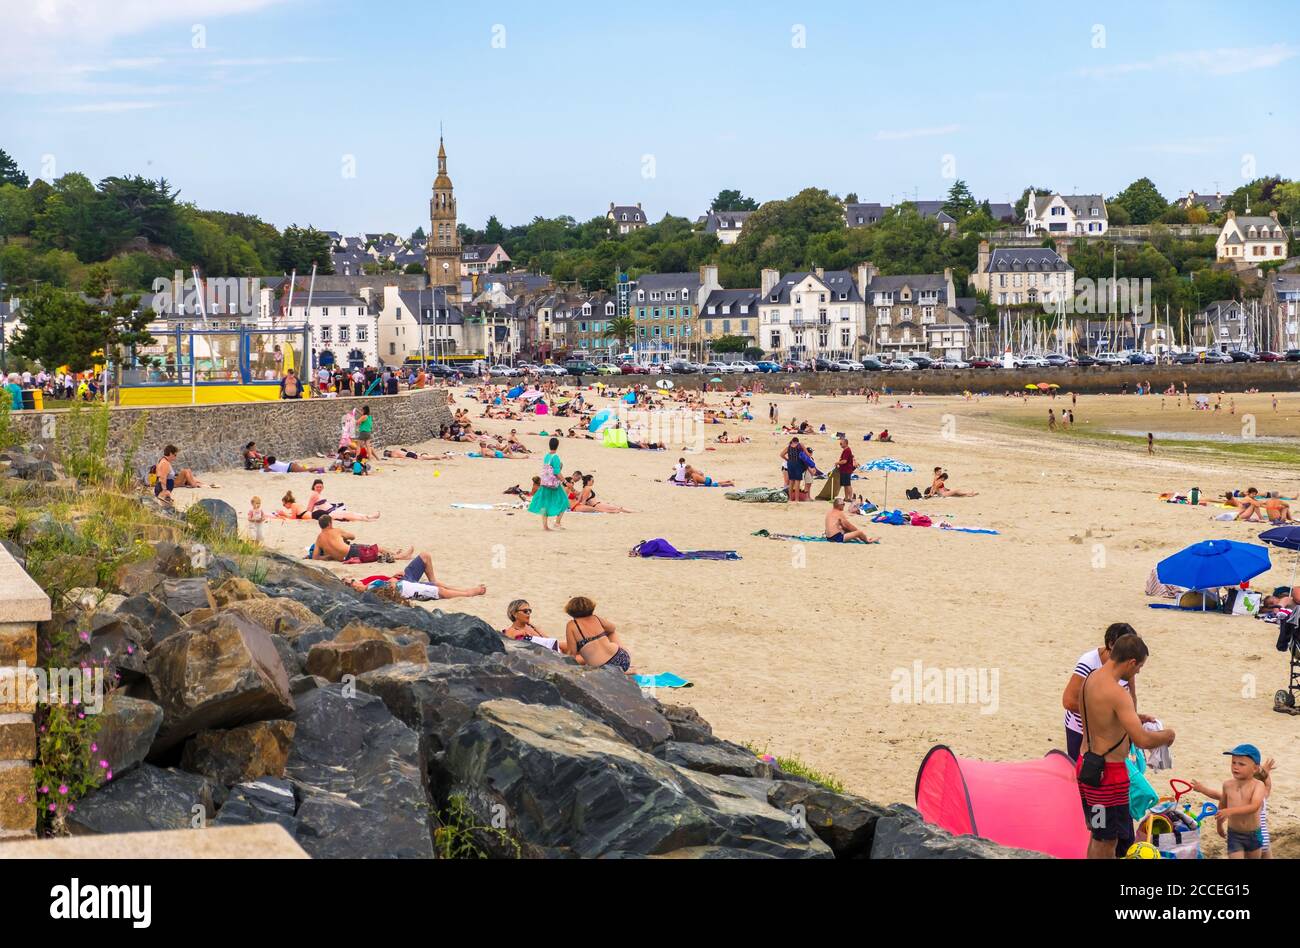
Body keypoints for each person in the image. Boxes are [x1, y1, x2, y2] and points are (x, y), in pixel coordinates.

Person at [1075, 633, 1175, 859]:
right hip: (1108, 776)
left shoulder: (1089, 679)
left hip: (1086, 766)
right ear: (1131, 662)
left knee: (1098, 834)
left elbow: (1102, 718)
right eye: (1139, 667)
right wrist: (1167, 735)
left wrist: (1134, 717)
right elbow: (1142, 740)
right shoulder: (1118, 693)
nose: (1138, 672)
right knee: (1109, 840)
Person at [1061, 622, 1154, 762]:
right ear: (1111, 644)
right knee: (1081, 776)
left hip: (1110, 734)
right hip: (1080, 731)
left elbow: (1131, 695)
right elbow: (1069, 701)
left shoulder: (1127, 663)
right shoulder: (1089, 663)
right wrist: (1109, 717)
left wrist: (1133, 719)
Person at [1190, 745, 1268, 859]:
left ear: (1255, 768)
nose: (1235, 767)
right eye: (1233, 762)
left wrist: (1230, 811)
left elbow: (1254, 806)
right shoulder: (1227, 785)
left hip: (1254, 834)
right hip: (1234, 834)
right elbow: (1222, 807)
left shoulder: (1258, 785)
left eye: (1241, 764)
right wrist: (1219, 825)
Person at [349, 552, 486, 601]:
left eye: (353, 580)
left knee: (425, 556)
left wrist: (392, 576)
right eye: (352, 583)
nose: (354, 582)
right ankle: (468, 592)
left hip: (403, 578)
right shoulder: (367, 590)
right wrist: (392, 580)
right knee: (438, 589)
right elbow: (388, 590)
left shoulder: (364, 582)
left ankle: (434, 581)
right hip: (403, 585)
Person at [563, 596, 630, 672]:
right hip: (623, 659)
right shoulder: (596, 618)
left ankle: (624, 672)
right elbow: (612, 628)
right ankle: (628, 669)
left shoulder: (572, 625)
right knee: (611, 632)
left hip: (603, 668)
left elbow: (572, 653)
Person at [310, 515, 411, 564]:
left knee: (374, 552)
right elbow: (352, 537)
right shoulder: (336, 530)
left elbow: (315, 557)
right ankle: (399, 556)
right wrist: (344, 536)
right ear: (329, 523)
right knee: (376, 548)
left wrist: (328, 557)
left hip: (342, 559)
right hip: (350, 551)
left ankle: (394, 554)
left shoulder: (319, 539)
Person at [529, 437, 569, 531]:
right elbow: (556, 472)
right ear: (557, 446)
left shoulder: (547, 456)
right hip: (553, 484)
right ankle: (557, 522)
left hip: (545, 482)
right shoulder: (555, 457)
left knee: (545, 504)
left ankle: (545, 526)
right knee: (564, 501)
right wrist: (565, 482)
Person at [501, 599, 565, 653]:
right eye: (525, 611)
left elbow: (549, 640)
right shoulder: (511, 631)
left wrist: (536, 628)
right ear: (514, 614)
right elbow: (506, 645)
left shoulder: (531, 627)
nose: (528, 613)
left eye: (530, 611)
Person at [304, 478, 379, 521]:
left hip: (333, 510)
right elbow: (309, 509)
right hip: (330, 513)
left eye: (320, 487)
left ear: (323, 487)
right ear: (313, 487)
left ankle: (369, 516)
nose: (319, 488)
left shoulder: (317, 494)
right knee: (351, 515)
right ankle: (369, 517)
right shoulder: (314, 494)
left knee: (351, 514)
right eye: (317, 487)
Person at [835, 436, 856, 502]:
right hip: (844, 470)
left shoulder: (847, 450)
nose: (840, 444)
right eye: (840, 443)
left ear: (846, 443)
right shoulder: (846, 450)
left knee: (847, 484)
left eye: (842, 443)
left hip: (846, 470)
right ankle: (846, 497)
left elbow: (844, 461)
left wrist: (837, 463)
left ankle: (850, 497)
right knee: (845, 484)